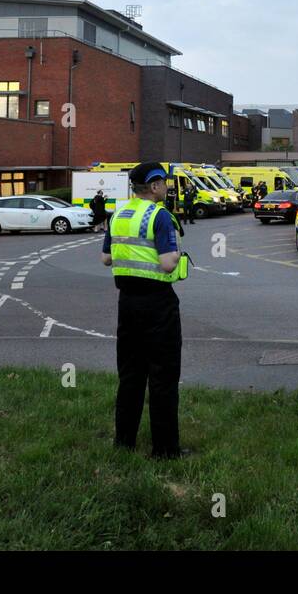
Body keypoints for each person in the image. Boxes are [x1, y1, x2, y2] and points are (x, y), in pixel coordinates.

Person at [101, 162, 189, 459]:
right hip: (158, 305)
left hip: (127, 304)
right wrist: (177, 254)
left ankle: (124, 443)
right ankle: (165, 451)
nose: (167, 186)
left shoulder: (118, 215)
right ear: (153, 186)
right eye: (164, 182)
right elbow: (167, 264)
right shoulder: (160, 216)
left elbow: (105, 259)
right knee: (163, 377)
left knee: (130, 375)